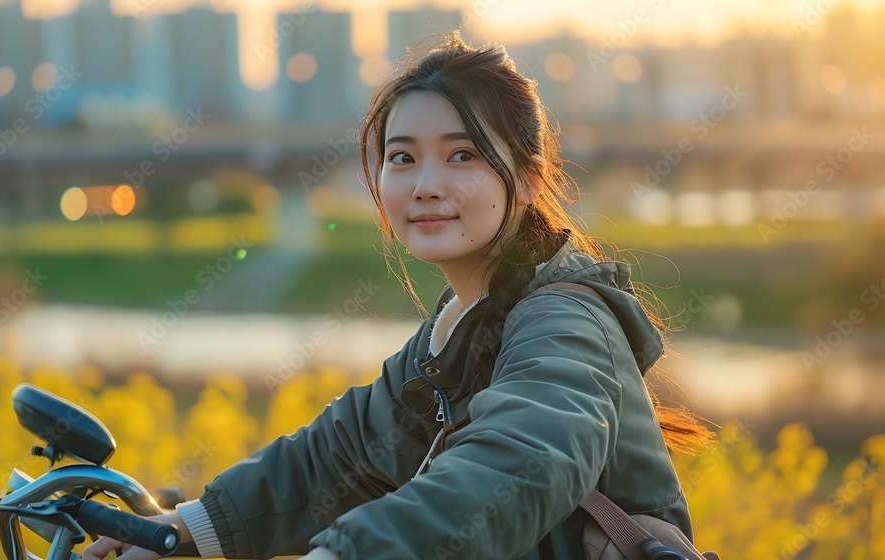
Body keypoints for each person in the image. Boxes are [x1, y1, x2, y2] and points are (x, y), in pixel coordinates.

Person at [83, 30, 712, 560]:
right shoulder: (457, 329)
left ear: (526, 181)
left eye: (461, 156)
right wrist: (188, 528)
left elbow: (525, 459)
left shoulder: (565, 321)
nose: (426, 185)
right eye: (402, 158)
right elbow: (341, 456)